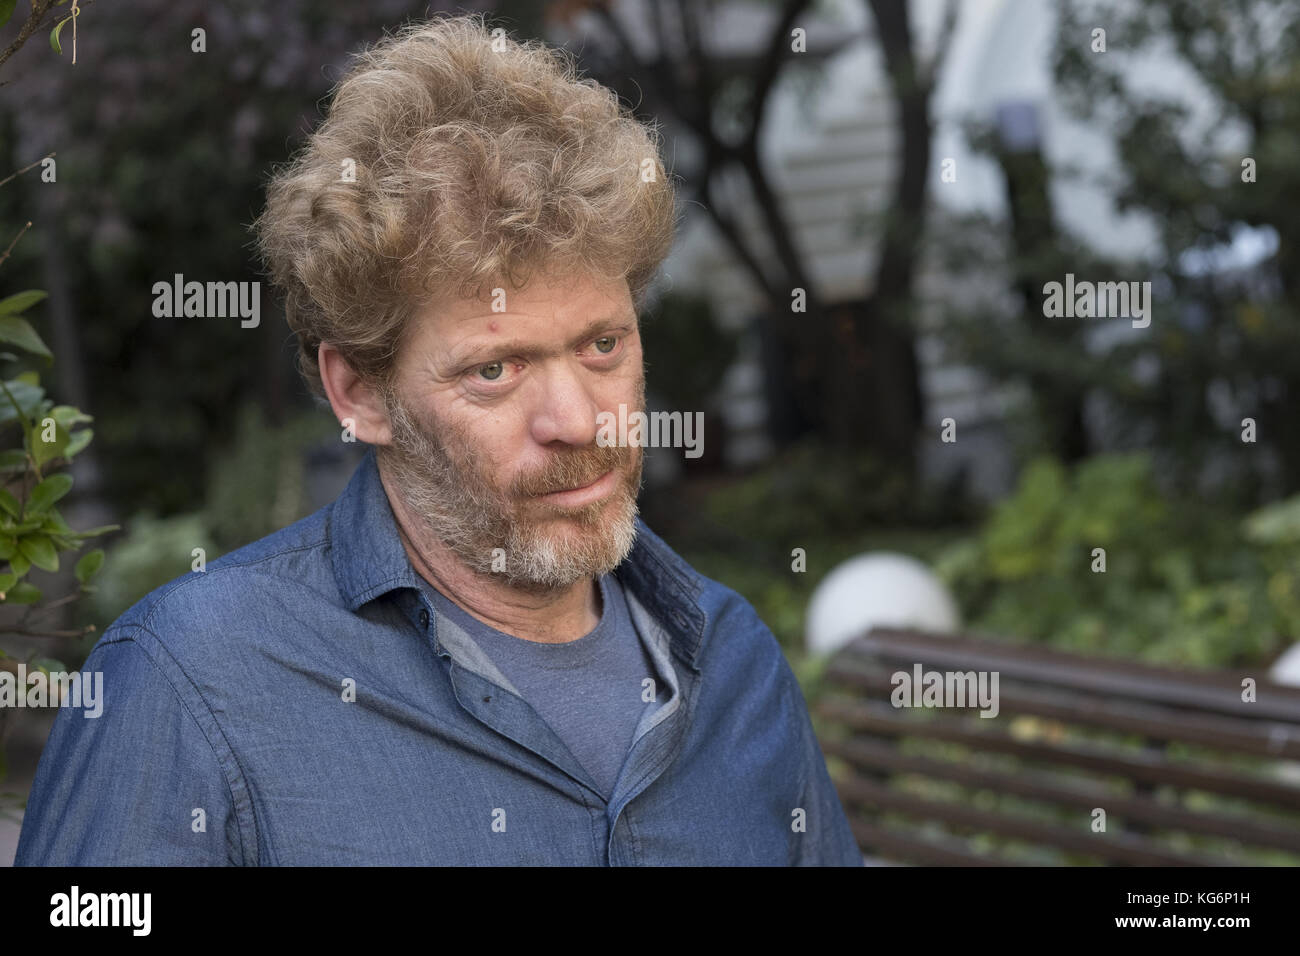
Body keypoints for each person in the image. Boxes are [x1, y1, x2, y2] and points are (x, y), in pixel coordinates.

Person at [15, 13, 862, 866]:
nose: (578, 420)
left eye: (603, 345)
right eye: (495, 370)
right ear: (359, 393)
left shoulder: (734, 661)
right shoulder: (189, 683)